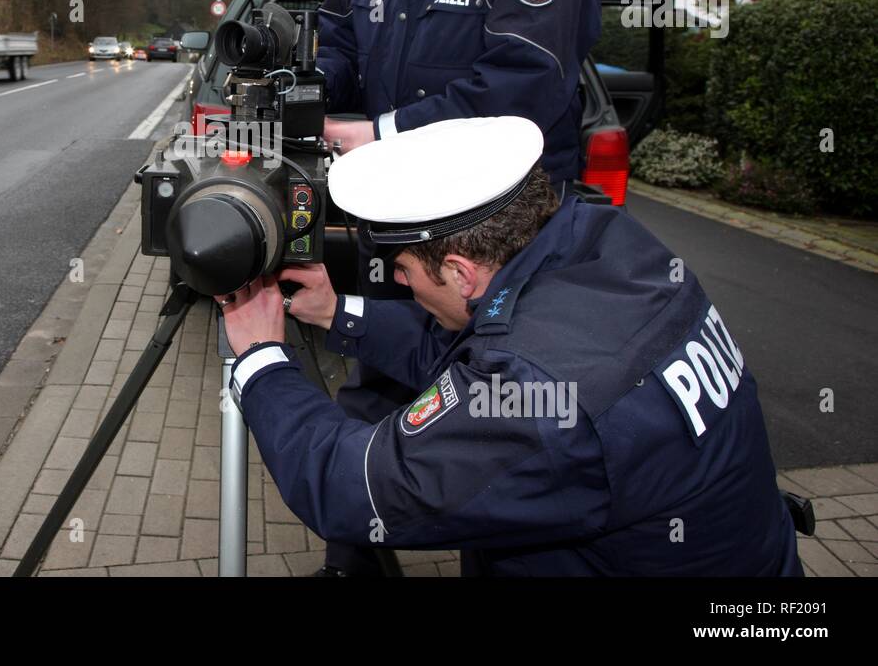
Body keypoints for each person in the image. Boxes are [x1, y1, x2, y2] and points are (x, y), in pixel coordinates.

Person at [220, 116, 803, 576]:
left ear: (461, 271)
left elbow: (356, 487)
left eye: (403, 271)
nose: (399, 283)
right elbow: (478, 352)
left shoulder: (542, 398)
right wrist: (338, 311)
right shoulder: (604, 242)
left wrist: (262, 361)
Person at [312, 0, 603, 576]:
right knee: (375, 381)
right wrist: (311, 90)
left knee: (505, 409)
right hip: (397, 211)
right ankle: (358, 562)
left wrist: (383, 133)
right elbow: (341, 32)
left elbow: (525, 84)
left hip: (504, 223)